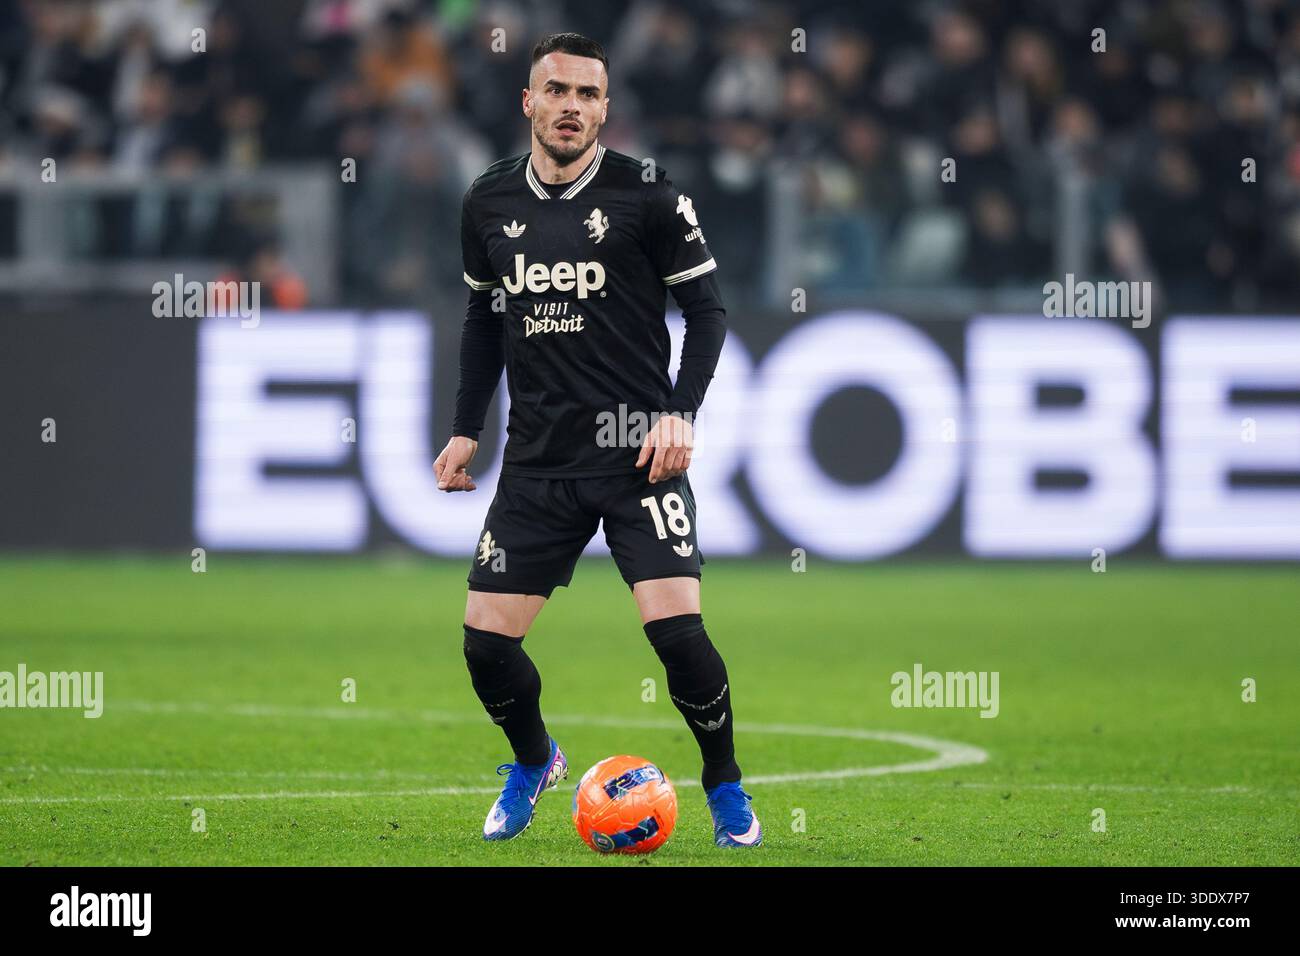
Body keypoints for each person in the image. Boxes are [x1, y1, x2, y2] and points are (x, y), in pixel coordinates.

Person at [435, 32, 760, 848]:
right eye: (558, 91)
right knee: (484, 645)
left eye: (588, 95)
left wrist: (681, 412)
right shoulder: (488, 202)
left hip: (636, 458)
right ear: (529, 102)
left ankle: (723, 783)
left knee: (678, 634)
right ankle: (535, 759)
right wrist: (465, 430)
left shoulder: (647, 195)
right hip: (539, 462)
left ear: (605, 109)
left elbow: (709, 313)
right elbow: (483, 317)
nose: (572, 107)